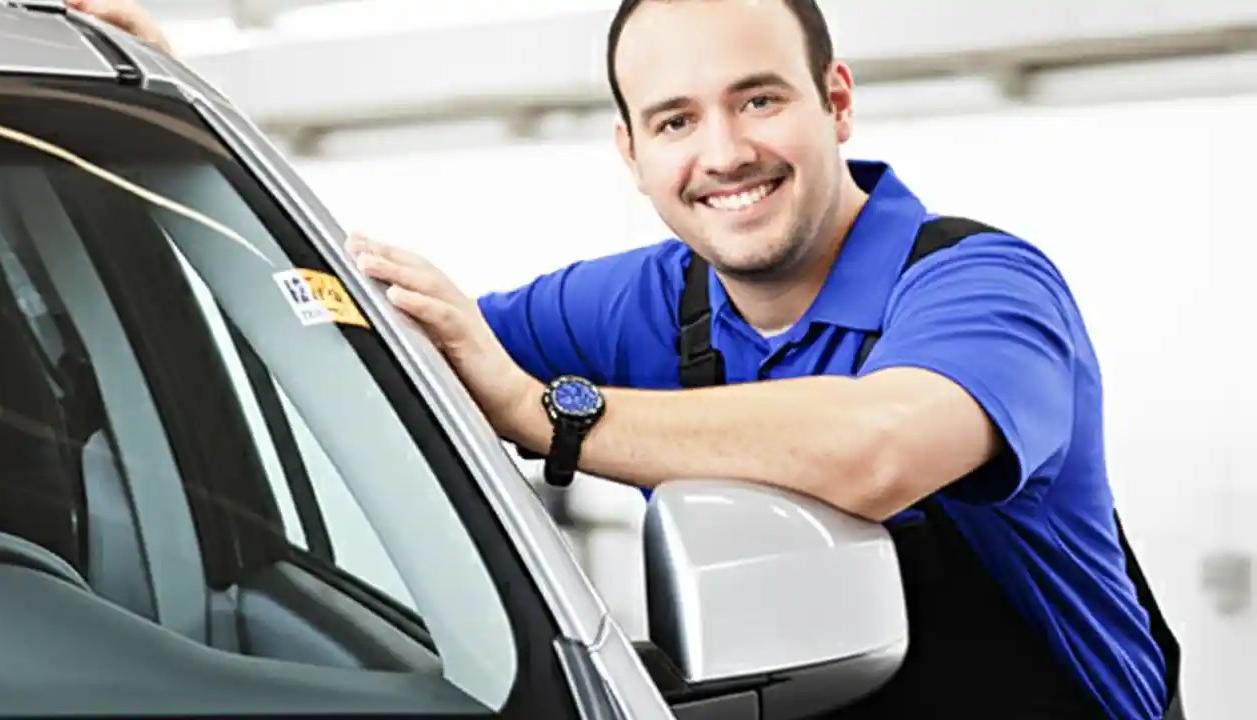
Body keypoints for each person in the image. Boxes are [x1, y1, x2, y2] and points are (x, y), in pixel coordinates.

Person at [70, 1, 1178, 718]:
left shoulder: (981, 284)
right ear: (631, 152)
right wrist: (192, 139)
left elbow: (879, 449)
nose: (723, 152)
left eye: (758, 99)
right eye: (675, 120)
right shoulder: (645, 298)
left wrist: (546, 411)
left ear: (834, 104)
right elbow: (361, 329)